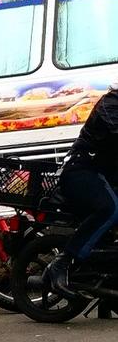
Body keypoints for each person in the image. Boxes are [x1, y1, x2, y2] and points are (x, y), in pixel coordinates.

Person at [53, 87, 118, 268]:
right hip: (81, 171)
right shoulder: (111, 104)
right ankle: (63, 262)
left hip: (105, 175)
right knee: (111, 209)